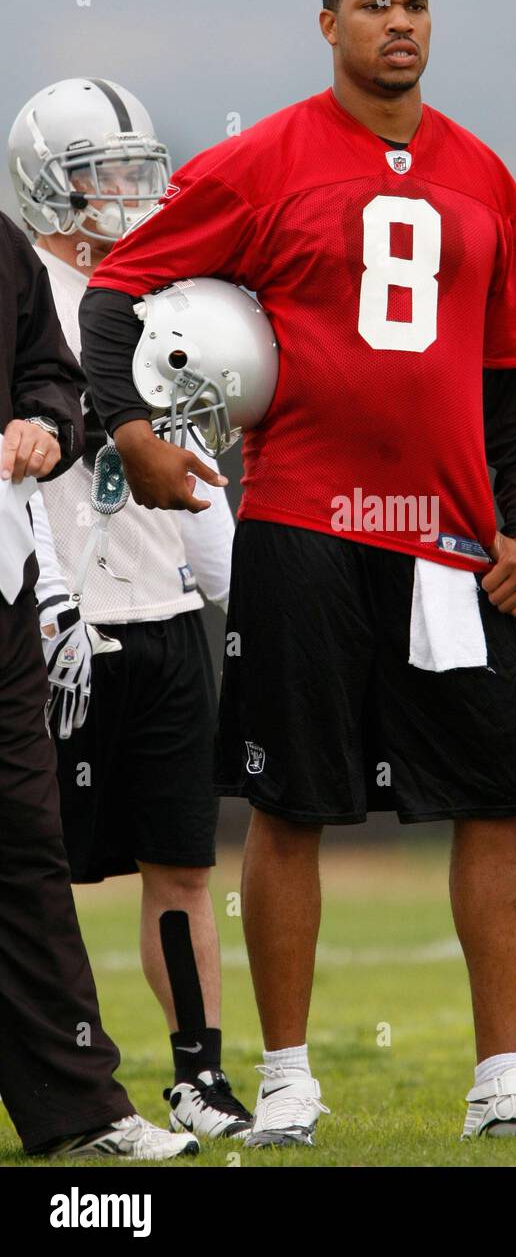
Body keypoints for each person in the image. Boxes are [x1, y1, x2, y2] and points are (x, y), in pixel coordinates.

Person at [79, 0, 516, 1145]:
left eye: (415, 4)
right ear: (328, 27)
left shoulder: (483, 176)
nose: (398, 22)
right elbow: (119, 294)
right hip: (302, 529)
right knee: (288, 803)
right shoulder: (265, 159)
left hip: (449, 545)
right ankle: (286, 1079)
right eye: (373, 5)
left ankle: (504, 1079)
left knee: (498, 802)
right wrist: (131, 431)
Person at [7, 77, 252, 1140]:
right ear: (42, 181)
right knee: (28, 866)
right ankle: (64, 1081)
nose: (121, 192)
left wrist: (235, 593)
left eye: (133, 170)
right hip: (53, 624)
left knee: (183, 863)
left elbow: (197, 462)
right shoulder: (27, 296)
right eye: (97, 173)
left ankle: (195, 1073)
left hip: (158, 610)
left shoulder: (164, 298)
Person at [0, 209, 198, 1159]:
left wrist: (42, 424)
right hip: (44, 591)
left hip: (5, 593)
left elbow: (50, 375)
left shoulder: (0, 248)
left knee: (25, 850)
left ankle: (80, 1114)